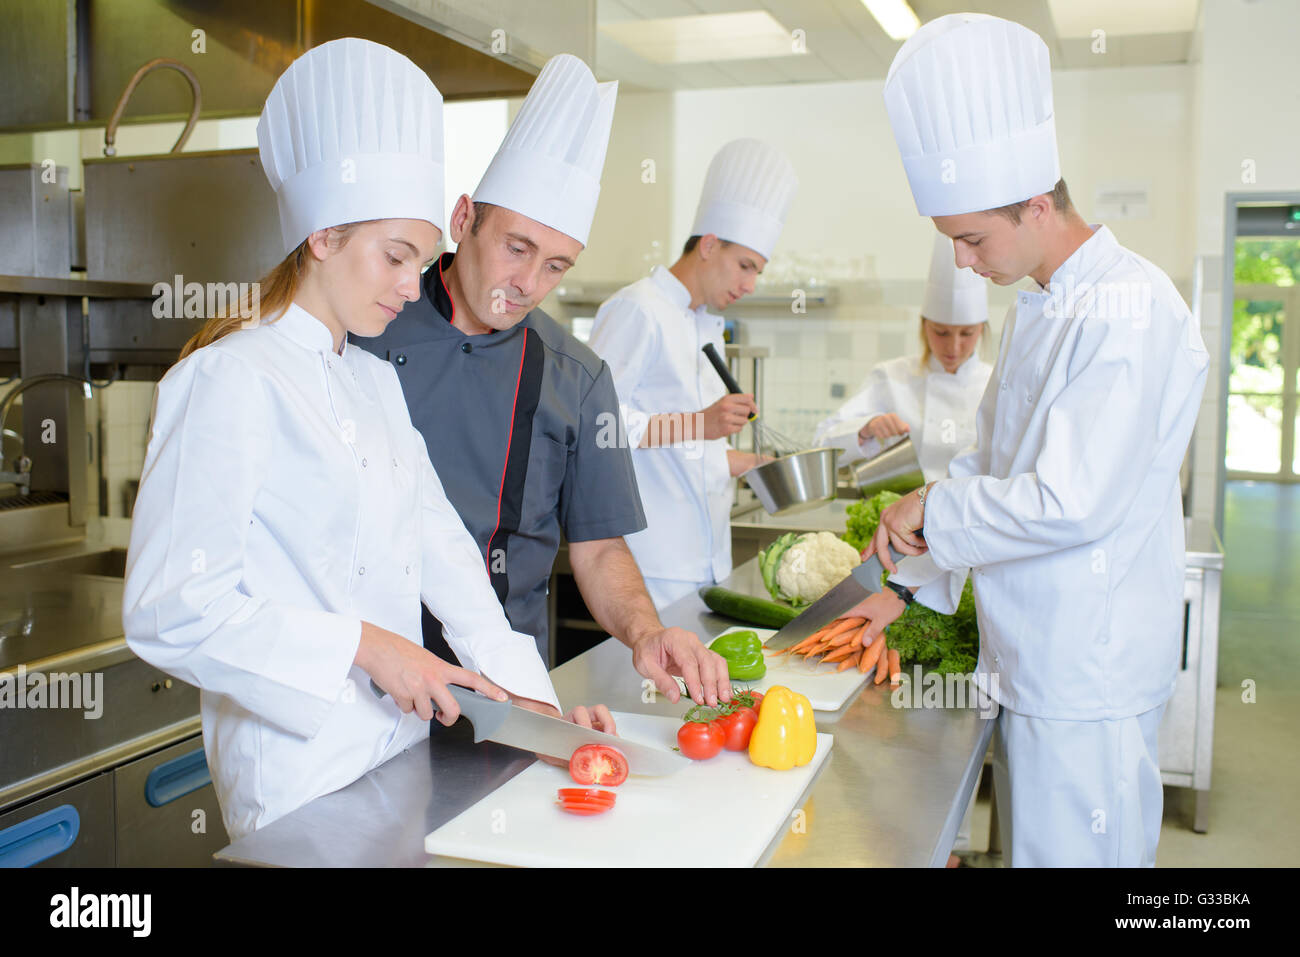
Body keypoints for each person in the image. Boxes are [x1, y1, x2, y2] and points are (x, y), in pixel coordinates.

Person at [122, 39, 611, 843]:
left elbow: (453, 567)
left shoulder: (374, 382)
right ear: (322, 236)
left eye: (421, 261)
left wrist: (541, 714)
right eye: (394, 256)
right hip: (296, 788)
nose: (411, 286)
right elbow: (170, 611)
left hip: (396, 769)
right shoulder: (229, 379)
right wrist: (365, 646)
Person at [849, 13, 1208, 867]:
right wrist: (907, 582)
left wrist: (933, 507)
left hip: (1089, 674)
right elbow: (992, 470)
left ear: (1037, 204)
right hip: (1036, 662)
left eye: (973, 238)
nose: (966, 264)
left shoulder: (1131, 307)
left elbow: (1068, 500)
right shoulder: (1043, 308)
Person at [354, 54, 731, 708]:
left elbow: (600, 545)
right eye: (516, 247)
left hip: (504, 691)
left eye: (556, 265)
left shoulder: (578, 377)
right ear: (465, 217)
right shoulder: (367, 321)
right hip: (359, 683)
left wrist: (645, 632)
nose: (527, 283)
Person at [589, 139, 798, 611]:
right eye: (745, 266)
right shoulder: (637, 308)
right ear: (708, 244)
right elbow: (596, 425)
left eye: (758, 272)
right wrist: (700, 424)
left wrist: (746, 462)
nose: (749, 285)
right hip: (653, 563)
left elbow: (687, 449)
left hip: (707, 560)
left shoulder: (705, 323)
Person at [813, 231, 992, 483]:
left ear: (982, 330)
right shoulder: (891, 377)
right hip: (903, 518)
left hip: (972, 518)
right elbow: (822, 443)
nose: (954, 346)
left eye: (967, 334)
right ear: (924, 326)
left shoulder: (995, 383)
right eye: (941, 332)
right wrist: (865, 429)